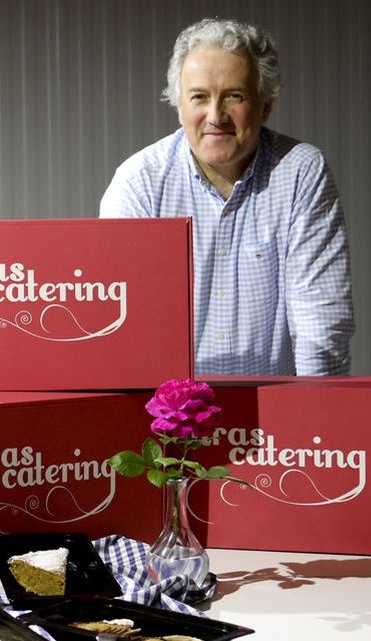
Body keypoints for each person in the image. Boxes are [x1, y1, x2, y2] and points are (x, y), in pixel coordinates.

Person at [100, 17, 353, 377]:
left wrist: (314, 408)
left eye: (234, 96)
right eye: (199, 97)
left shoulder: (300, 172)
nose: (215, 116)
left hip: (274, 405)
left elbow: (321, 323)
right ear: (179, 106)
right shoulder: (139, 182)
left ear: (265, 106)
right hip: (167, 409)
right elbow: (121, 326)